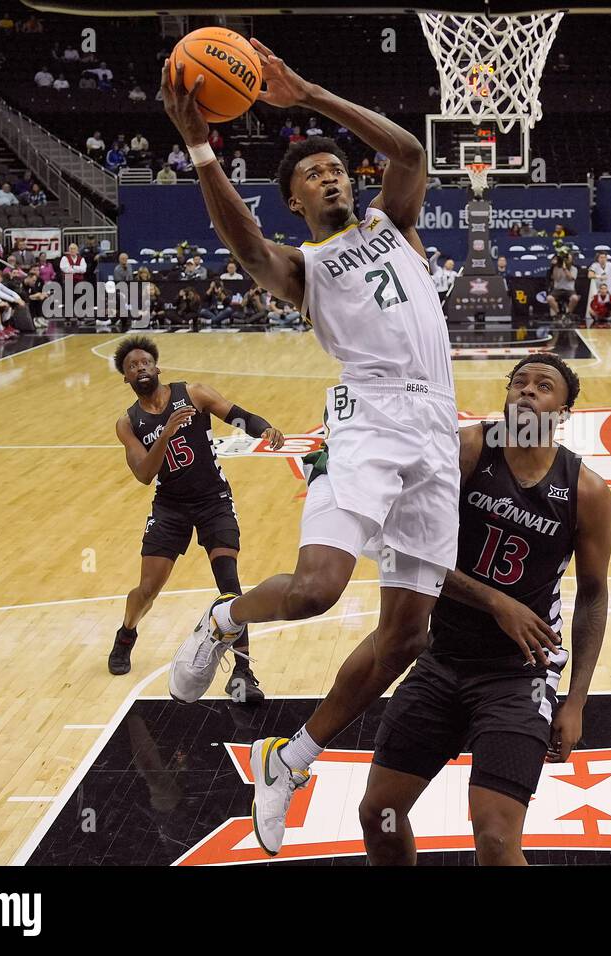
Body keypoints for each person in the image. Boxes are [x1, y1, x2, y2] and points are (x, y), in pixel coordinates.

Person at [162, 37, 461, 856]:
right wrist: (200, 149)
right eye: (312, 175)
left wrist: (309, 94)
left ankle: (289, 760)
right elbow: (247, 249)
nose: (332, 176)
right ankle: (226, 618)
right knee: (318, 589)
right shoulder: (307, 267)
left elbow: (407, 150)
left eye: (337, 170)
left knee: (409, 634)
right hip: (366, 417)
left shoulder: (393, 224)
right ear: (294, 202)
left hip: (436, 424)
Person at [359, 355, 611, 866]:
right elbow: (407, 548)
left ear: (563, 411)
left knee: (496, 839)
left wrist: (577, 700)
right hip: (442, 660)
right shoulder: (468, 451)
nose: (527, 391)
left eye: (543, 386)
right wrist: (496, 602)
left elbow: (594, 595)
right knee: (378, 813)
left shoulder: (586, 490)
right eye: (518, 382)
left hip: (520, 678)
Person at [109, 335, 282, 700]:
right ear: (125, 378)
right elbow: (143, 474)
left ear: (157, 368)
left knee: (229, 584)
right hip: (169, 506)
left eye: (145, 363)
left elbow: (238, 414)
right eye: (132, 367)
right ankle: (127, 633)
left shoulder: (194, 392)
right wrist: (166, 433)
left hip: (213, 500)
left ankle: (243, 672)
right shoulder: (128, 422)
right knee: (147, 590)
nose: (140, 368)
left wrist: (263, 427)